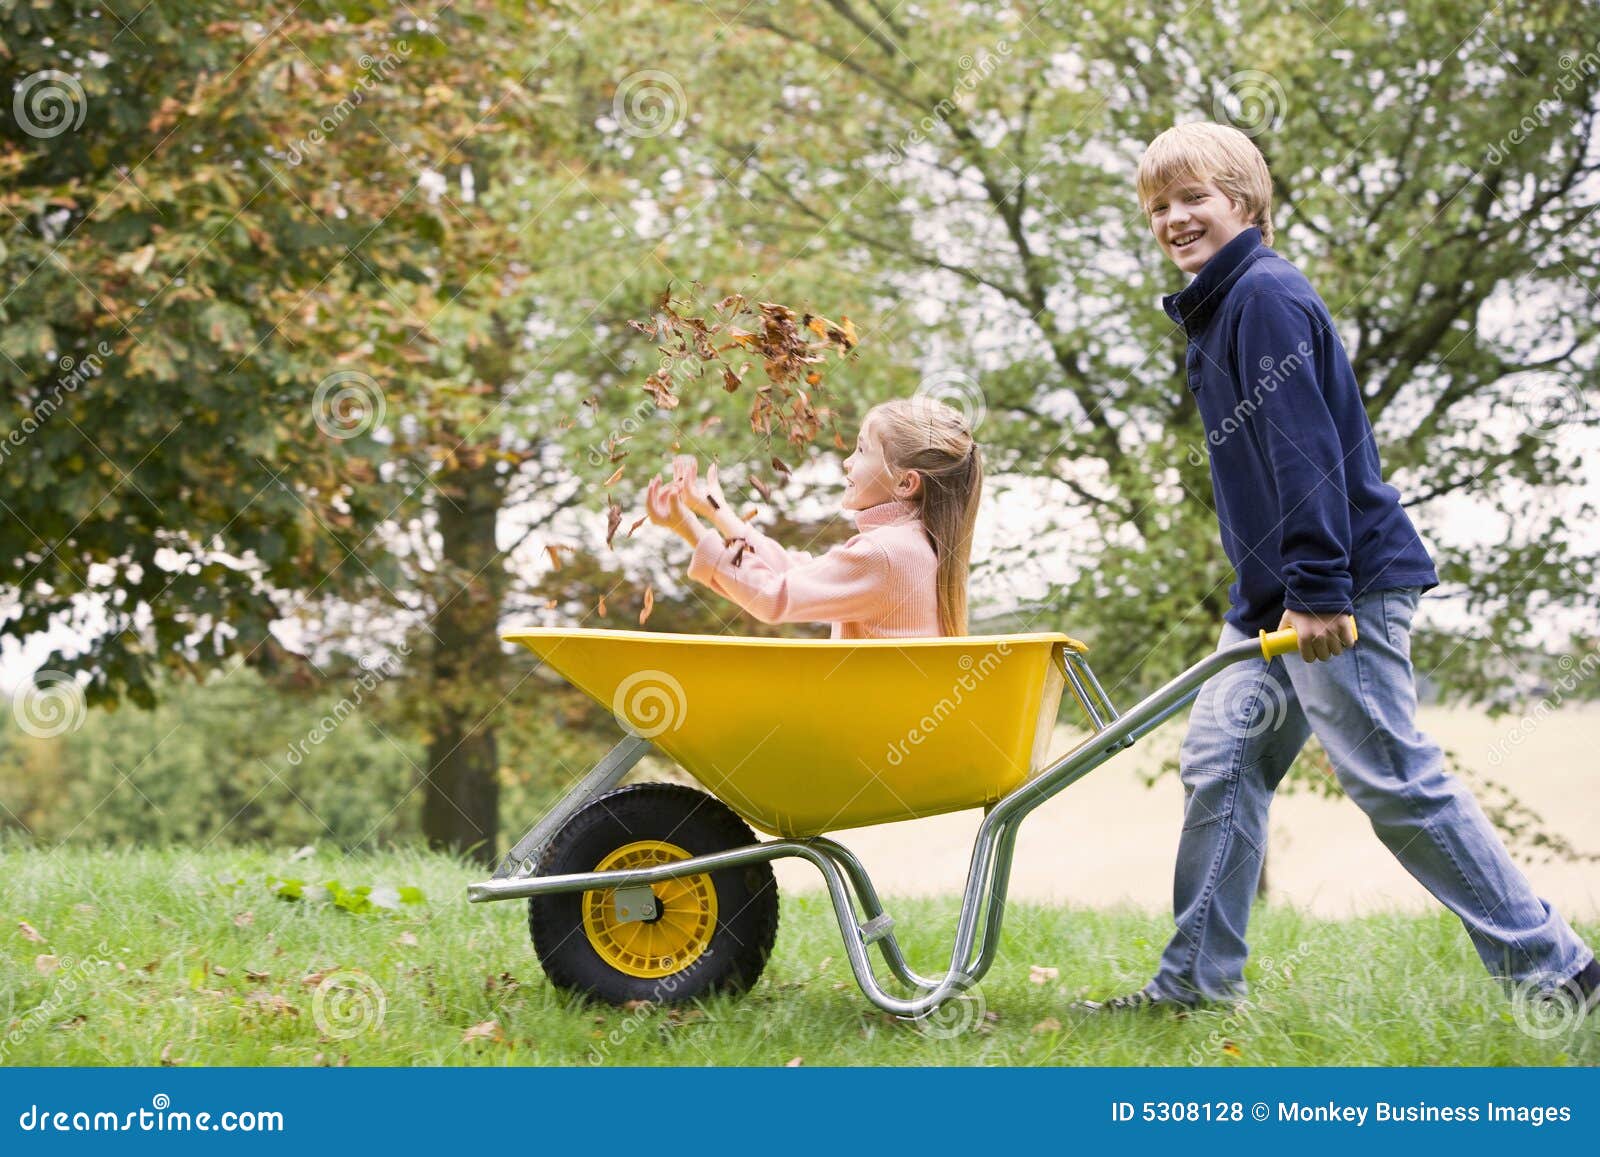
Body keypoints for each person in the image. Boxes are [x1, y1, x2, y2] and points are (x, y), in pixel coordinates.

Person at [1080, 121, 1598, 1014]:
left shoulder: (1263, 299)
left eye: (1194, 197)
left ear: (1244, 203)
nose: (1173, 218)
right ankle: (1196, 986)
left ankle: (1562, 972)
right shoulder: (1222, 304)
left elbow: (1304, 450)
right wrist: (1268, 600)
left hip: (1338, 590)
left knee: (1393, 778)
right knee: (1221, 759)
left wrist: (1318, 591)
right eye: (1159, 206)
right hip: (1275, 602)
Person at [643, 396, 982, 638]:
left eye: (862, 450)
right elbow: (798, 573)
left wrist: (688, 528)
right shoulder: (915, 544)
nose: (847, 462)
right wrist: (717, 512)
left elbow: (772, 596)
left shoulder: (884, 553)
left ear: (906, 482)